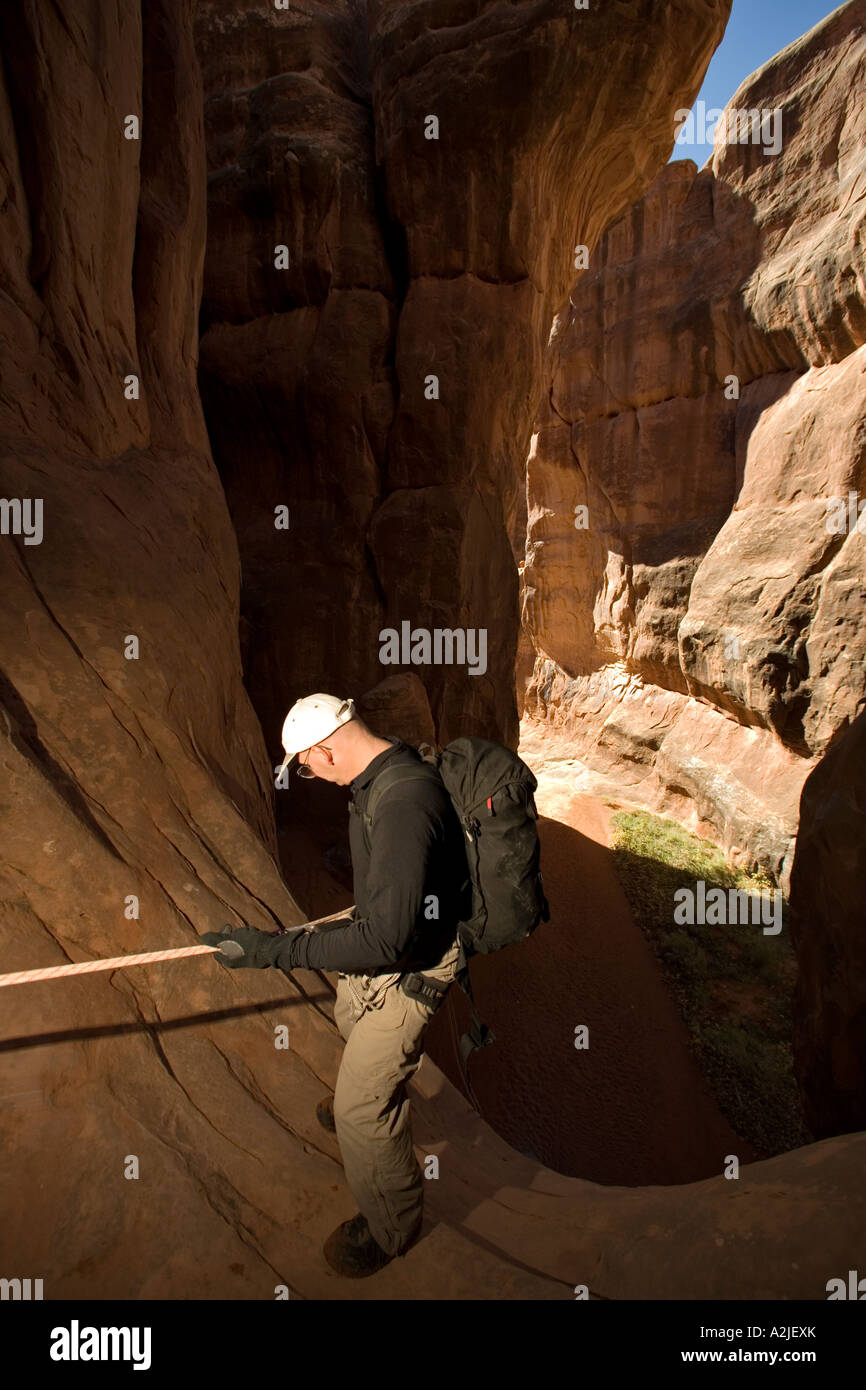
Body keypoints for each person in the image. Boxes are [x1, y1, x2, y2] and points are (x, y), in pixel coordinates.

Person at [203, 693, 470, 1278]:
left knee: (359, 1114)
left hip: (413, 968)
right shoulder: (378, 777)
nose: (306, 775)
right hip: (391, 948)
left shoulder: (402, 802)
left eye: (304, 765)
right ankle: (369, 1091)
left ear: (325, 750)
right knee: (350, 1017)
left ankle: (393, 1227)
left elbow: (385, 941)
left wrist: (272, 950)